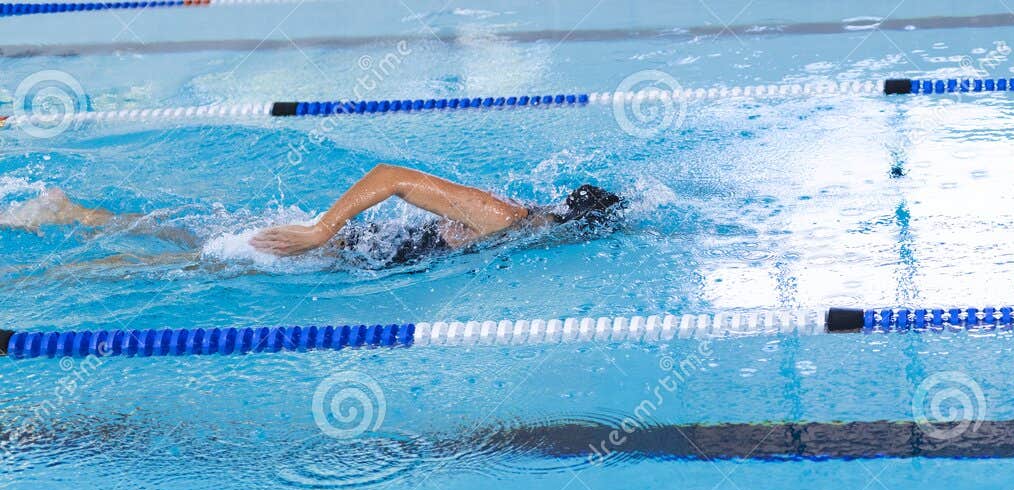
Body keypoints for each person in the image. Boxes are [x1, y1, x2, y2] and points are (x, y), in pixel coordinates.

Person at [0, 165, 623, 268]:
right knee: (187, 266)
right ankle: (34, 281)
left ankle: (67, 211)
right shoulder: (505, 218)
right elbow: (389, 176)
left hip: (352, 250)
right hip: (329, 250)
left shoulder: (518, 222)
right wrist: (319, 230)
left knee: (196, 246)